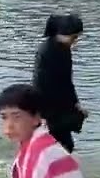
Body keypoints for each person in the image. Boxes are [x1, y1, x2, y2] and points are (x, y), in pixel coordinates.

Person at [33, 14, 87, 153]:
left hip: (60, 106)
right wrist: (41, 115)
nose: (75, 41)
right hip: (48, 108)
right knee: (58, 146)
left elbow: (67, 80)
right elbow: (39, 84)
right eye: (74, 37)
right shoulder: (46, 51)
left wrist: (76, 103)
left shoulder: (64, 49)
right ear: (61, 33)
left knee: (65, 145)